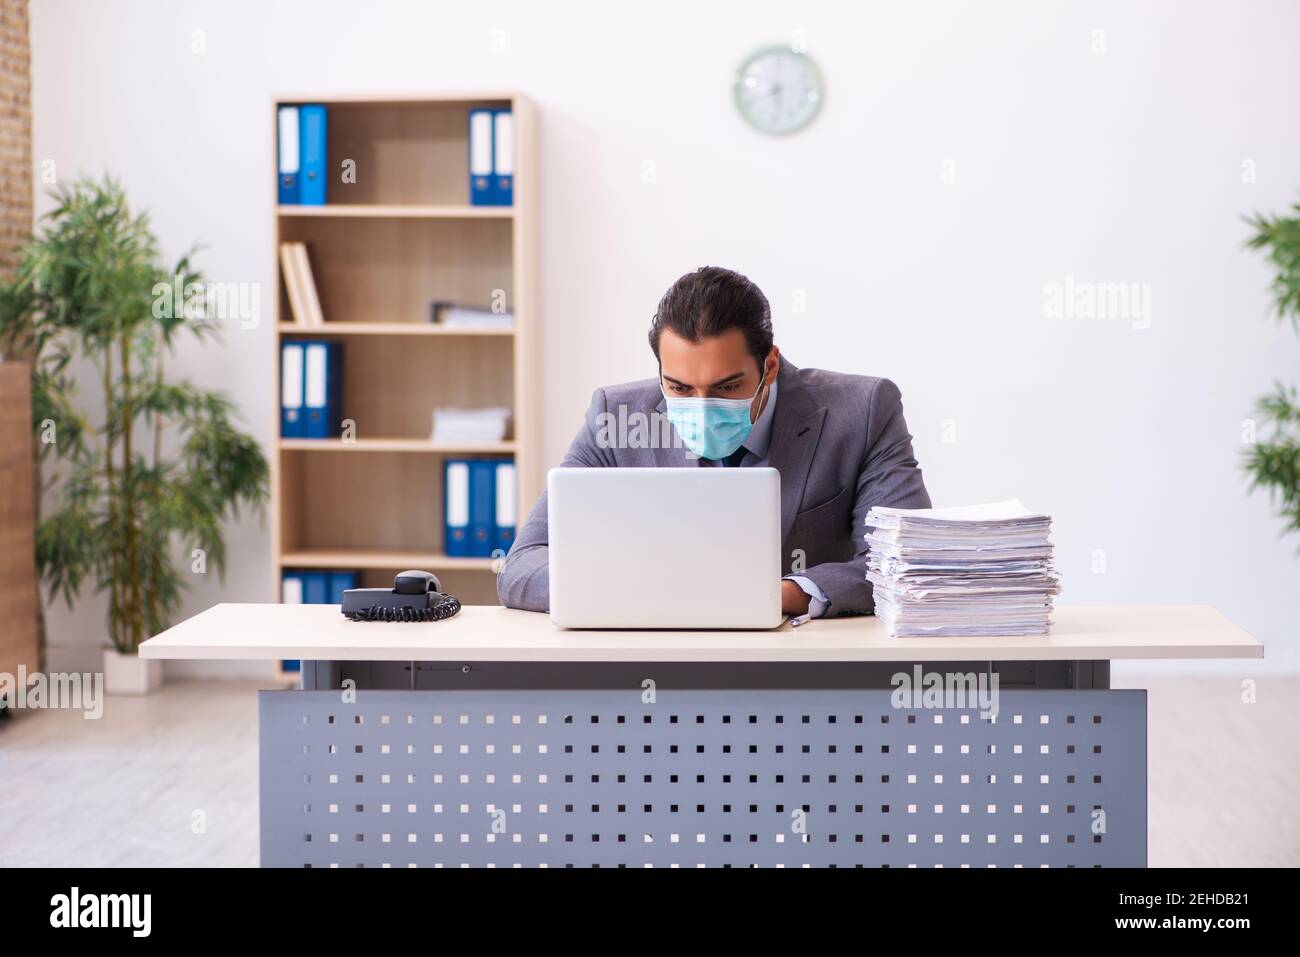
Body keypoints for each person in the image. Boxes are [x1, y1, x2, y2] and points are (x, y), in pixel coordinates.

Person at [497, 265, 931, 619]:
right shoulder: (616, 416)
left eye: (726, 388)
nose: (701, 408)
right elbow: (522, 566)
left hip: (807, 670)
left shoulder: (864, 411)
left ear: (770, 366)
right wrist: (640, 590)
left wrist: (787, 594)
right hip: (653, 674)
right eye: (680, 388)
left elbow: (907, 565)